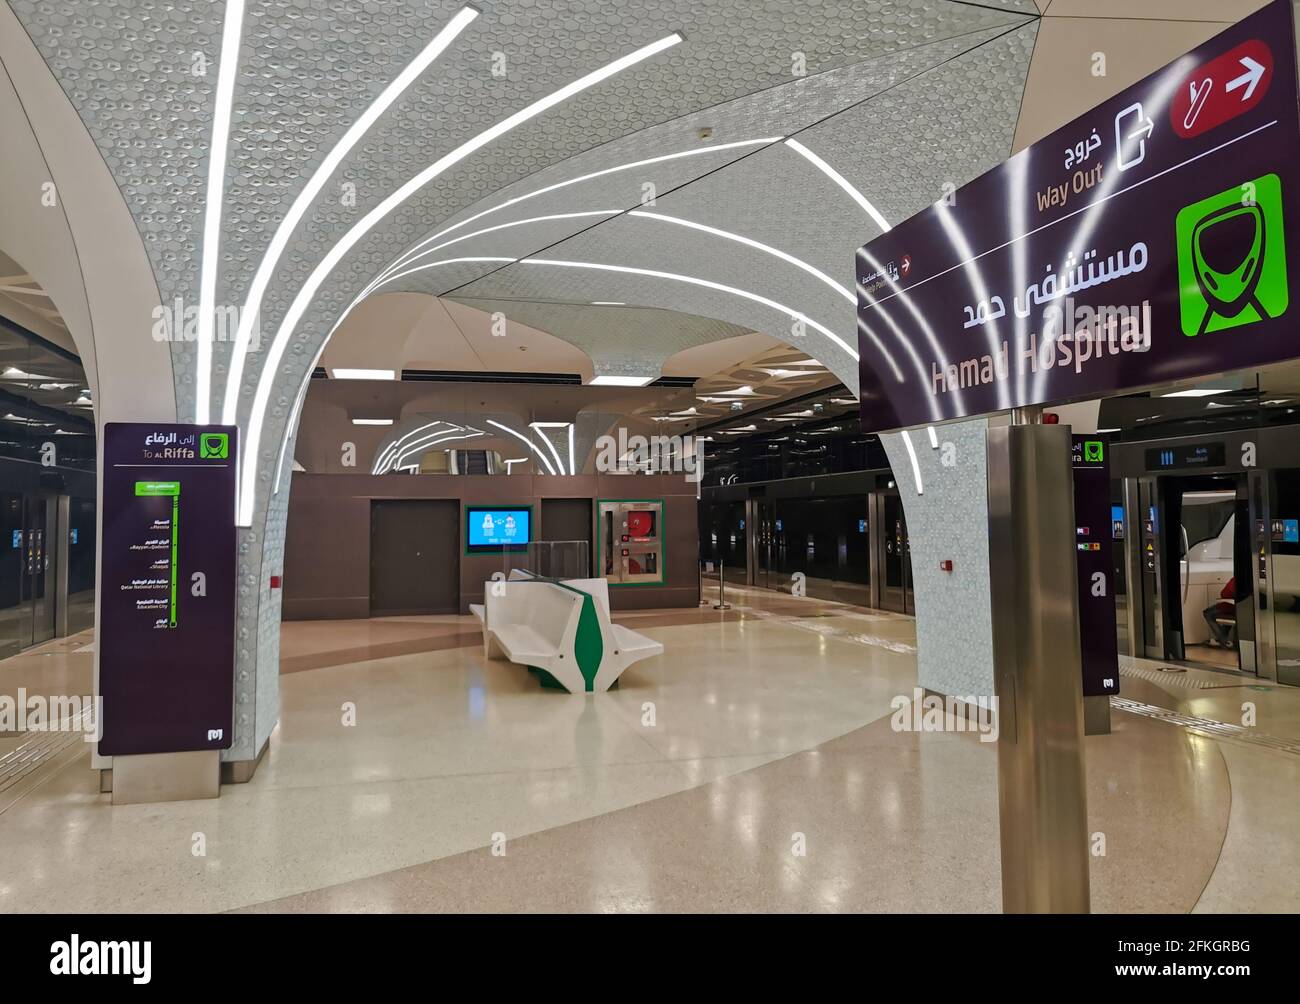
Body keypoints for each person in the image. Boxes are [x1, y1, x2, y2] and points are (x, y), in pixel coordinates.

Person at [1202, 576, 1237, 647]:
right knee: (1226, 620)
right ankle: (1223, 638)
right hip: (1240, 607)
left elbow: (1224, 593)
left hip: (1230, 607)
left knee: (1208, 613)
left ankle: (1223, 640)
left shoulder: (1235, 579)